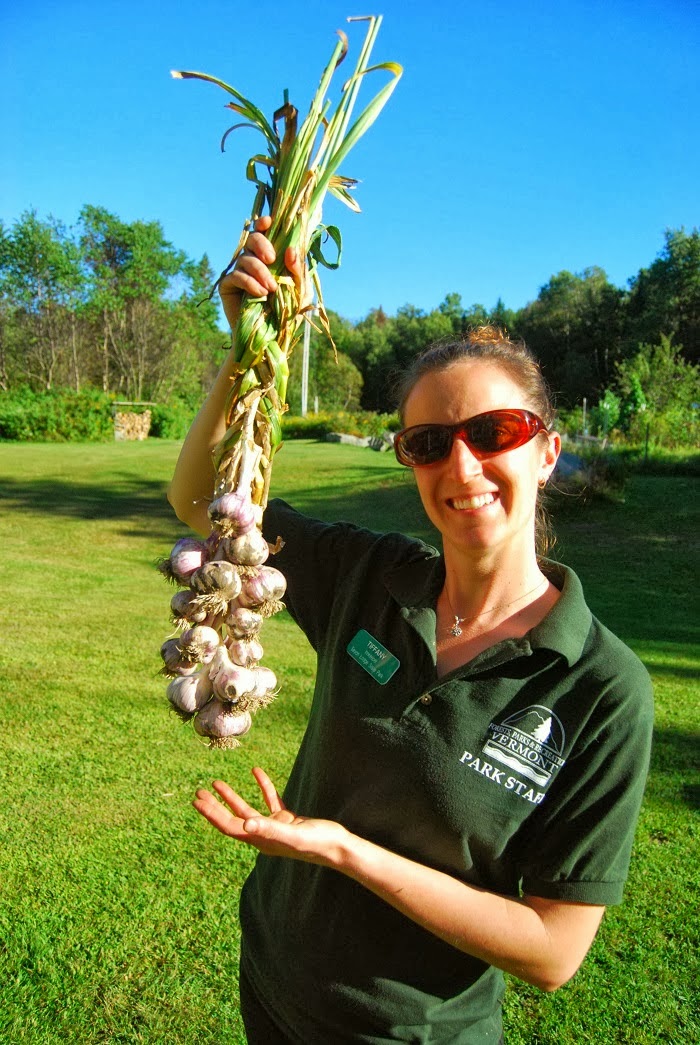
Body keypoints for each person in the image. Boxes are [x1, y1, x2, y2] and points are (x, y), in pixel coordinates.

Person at [167, 219, 654, 1044]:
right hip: (273, 984)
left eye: (494, 433)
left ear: (547, 451)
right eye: (429, 443)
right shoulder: (370, 575)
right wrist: (247, 347)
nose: (461, 466)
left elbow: (552, 949)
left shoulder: (602, 687)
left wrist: (346, 850)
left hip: (407, 1032)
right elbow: (197, 502)